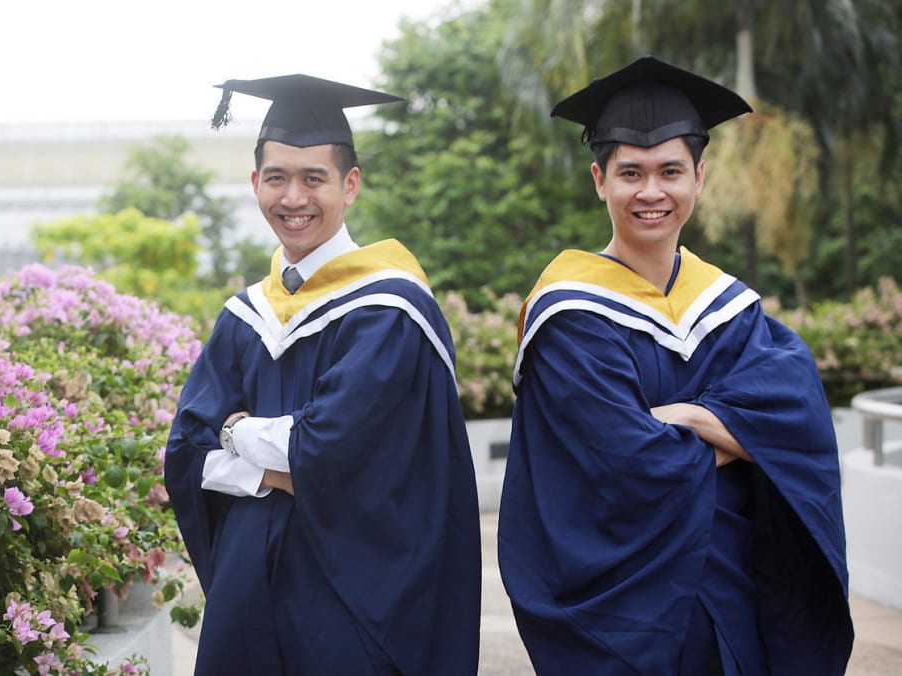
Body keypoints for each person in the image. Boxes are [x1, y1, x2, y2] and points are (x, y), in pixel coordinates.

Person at [496, 56, 854, 675]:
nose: (652, 192)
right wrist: (738, 433)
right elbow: (621, 462)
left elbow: (799, 417)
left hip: (739, 591)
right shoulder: (569, 316)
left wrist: (682, 416)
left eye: (671, 171)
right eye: (630, 172)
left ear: (700, 177)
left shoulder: (730, 306)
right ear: (599, 180)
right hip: (629, 611)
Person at [165, 74, 481, 675]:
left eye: (314, 178)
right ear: (255, 182)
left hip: (351, 594)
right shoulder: (244, 317)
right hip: (246, 590)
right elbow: (186, 449)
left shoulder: (389, 308)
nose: (293, 198)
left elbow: (332, 449)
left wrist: (237, 433)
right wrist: (278, 464)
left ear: (350, 184)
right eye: (277, 177)